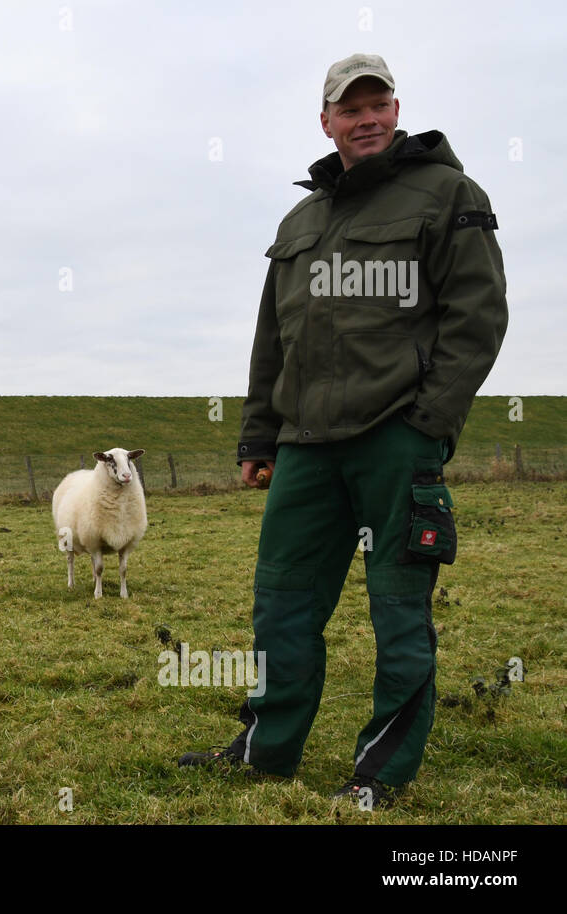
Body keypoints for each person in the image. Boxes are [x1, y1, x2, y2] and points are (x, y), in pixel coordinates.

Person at [178, 54, 508, 810]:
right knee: (282, 602)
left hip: (396, 437)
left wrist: (430, 421)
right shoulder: (300, 224)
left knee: (398, 608)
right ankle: (267, 754)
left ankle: (378, 774)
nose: (365, 119)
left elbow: (479, 315)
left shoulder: (449, 194)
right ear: (325, 121)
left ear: (397, 111)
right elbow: (273, 341)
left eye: (378, 104)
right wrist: (259, 440)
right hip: (304, 447)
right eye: (348, 108)